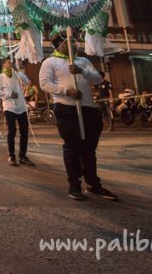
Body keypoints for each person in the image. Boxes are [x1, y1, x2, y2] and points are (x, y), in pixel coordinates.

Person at [40, 32, 117, 202]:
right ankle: (74, 184)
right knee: (72, 147)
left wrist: (81, 71)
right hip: (66, 107)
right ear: (59, 45)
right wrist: (66, 91)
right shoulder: (50, 62)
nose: (74, 44)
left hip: (88, 107)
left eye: (74, 41)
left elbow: (97, 80)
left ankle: (93, 184)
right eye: (69, 41)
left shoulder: (83, 61)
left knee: (89, 149)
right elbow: (44, 84)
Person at [0, 59, 34, 167]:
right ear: (3, 65)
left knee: (24, 132)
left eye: (11, 62)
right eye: (8, 62)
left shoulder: (17, 75)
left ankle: (23, 156)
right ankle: (11, 155)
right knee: (12, 131)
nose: (10, 63)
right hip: (9, 107)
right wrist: (9, 94)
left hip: (21, 107)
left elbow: (27, 82)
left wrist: (18, 72)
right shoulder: (0, 77)